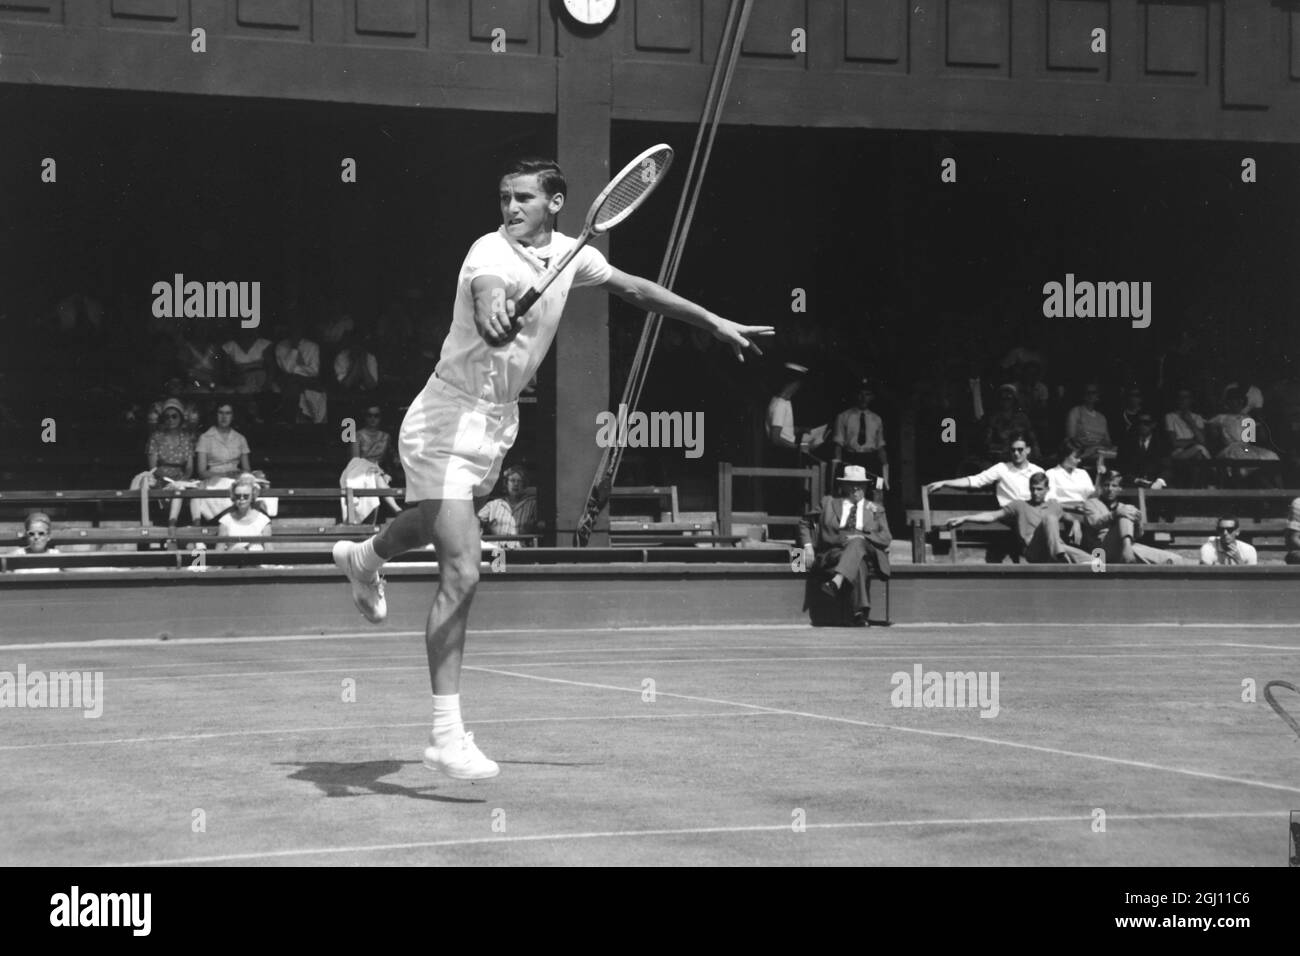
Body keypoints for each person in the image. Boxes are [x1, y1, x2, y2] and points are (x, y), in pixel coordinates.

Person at [330, 157, 772, 780]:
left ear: (556, 203)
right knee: (463, 567)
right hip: (443, 421)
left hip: (496, 425)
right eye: (504, 198)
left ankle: (365, 557)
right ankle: (445, 735)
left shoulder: (573, 255)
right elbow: (487, 301)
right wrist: (494, 317)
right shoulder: (489, 251)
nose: (510, 209)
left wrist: (714, 320)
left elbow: (638, 290)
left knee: (433, 526)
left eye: (523, 199)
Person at [798, 466, 890, 626]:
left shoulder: (875, 509)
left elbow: (886, 537)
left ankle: (837, 580)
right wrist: (807, 546)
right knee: (858, 563)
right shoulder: (828, 502)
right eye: (851, 484)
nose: (856, 488)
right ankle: (859, 613)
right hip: (833, 553)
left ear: (866, 486)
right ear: (843, 486)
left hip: (867, 552)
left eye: (860, 484)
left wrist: (862, 535)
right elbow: (804, 522)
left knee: (858, 542)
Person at [944, 471, 1091, 564]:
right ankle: (1058, 555)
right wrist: (965, 518)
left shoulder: (1054, 505)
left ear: (1047, 490)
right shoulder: (1019, 505)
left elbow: (1067, 516)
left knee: (1095, 562)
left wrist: (1076, 522)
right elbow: (993, 516)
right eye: (1032, 489)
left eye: (1039, 489)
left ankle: (1059, 556)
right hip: (1034, 550)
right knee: (1050, 519)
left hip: (1059, 548)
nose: (1035, 493)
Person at [1080, 470, 1182, 564]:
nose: (1110, 489)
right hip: (1101, 550)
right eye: (1106, 485)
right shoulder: (1091, 503)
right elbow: (1095, 523)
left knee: (1173, 559)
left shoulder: (1122, 506)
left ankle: (1127, 550)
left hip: (1125, 546)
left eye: (1114, 486)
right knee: (1125, 513)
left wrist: (1137, 522)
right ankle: (1127, 548)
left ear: (1120, 489)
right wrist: (1115, 514)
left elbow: (1138, 534)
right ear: (1101, 487)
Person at [926, 433, 1044, 506]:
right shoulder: (1002, 468)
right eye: (1013, 450)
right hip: (1011, 513)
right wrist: (945, 482)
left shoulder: (1038, 471)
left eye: (1020, 449)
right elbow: (975, 480)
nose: (1016, 453)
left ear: (1028, 450)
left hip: (1033, 513)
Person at [193, 402, 254, 523]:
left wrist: (239, 474)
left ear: (233, 416)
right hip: (213, 479)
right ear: (215, 415)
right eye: (220, 413)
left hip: (236, 478)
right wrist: (225, 475)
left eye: (228, 413)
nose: (224, 417)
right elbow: (201, 472)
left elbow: (247, 469)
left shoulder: (240, 438)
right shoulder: (205, 438)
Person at [831, 380, 889, 489]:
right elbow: (838, 445)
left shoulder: (876, 419)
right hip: (851, 459)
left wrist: (885, 472)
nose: (863, 398)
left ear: (872, 397)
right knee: (852, 493)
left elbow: (880, 446)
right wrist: (837, 468)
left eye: (867, 395)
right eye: (860, 394)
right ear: (856, 396)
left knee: (876, 490)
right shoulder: (843, 416)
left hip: (871, 459)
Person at [476, 465, 541, 547]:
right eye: (512, 480)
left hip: (521, 549)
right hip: (498, 550)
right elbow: (476, 520)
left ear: (524, 484)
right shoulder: (494, 505)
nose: (516, 484)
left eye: (519, 481)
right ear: (506, 484)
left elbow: (540, 525)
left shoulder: (532, 504)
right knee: (497, 559)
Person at [1064, 382, 1116, 470]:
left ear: (1097, 396)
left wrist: (1099, 446)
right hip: (1083, 450)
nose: (1090, 395)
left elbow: (1107, 441)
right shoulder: (1076, 412)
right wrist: (1092, 447)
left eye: (1093, 393)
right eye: (1087, 392)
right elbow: (1071, 438)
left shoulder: (1101, 417)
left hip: (1100, 450)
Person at [216, 478, 273, 551]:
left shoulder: (263, 521)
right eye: (238, 496)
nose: (242, 499)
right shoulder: (225, 521)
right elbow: (218, 552)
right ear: (233, 497)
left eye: (246, 496)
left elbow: (269, 551)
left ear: (252, 496)